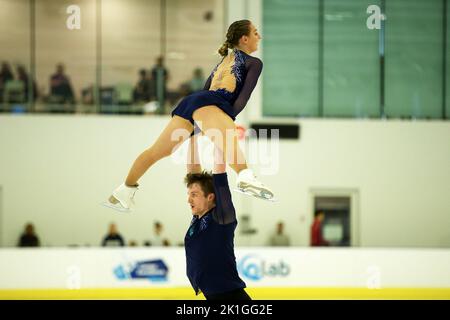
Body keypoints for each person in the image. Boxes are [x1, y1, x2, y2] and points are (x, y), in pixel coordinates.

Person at [104, 20, 274, 213]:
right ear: (244, 39)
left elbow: (204, 92)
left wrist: (200, 124)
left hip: (191, 102)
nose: (259, 37)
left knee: (156, 152)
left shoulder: (221, 63)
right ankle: (245, 176)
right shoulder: (254, 63)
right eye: (255, 33)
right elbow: (243, 98)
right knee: (229, 136)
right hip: (214, 102)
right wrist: (226, 119)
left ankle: (124, 189)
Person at [184, 135, 251, 300]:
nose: (189, 199)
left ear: (210, 197)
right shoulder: (198, 219)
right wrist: (193, 137)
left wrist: (219, 133)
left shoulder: (222, 218)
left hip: (232, 298)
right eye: (189, 194)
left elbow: (220, 173)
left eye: (194, 195)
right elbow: (193, 172)